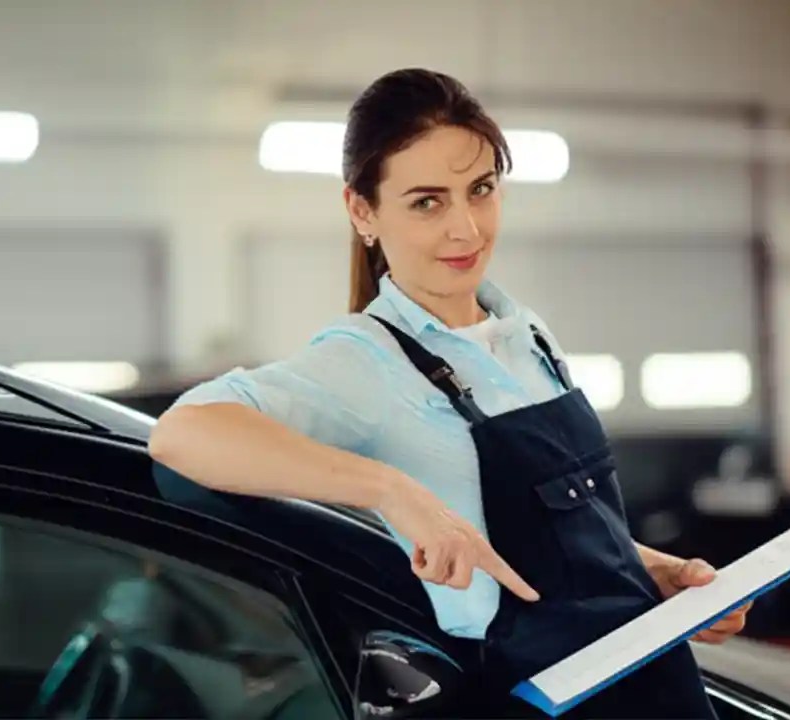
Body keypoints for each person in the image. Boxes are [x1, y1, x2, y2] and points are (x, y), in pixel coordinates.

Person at [149, 68, 749, 718]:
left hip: (656, 681)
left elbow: (574, 535)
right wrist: (390, 491)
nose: (466, 228)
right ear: (362, 211)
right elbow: (183, 432)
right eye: (427, 202)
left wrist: (657, 572)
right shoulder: (366, 360)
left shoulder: (528, 335)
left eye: (481, 190)